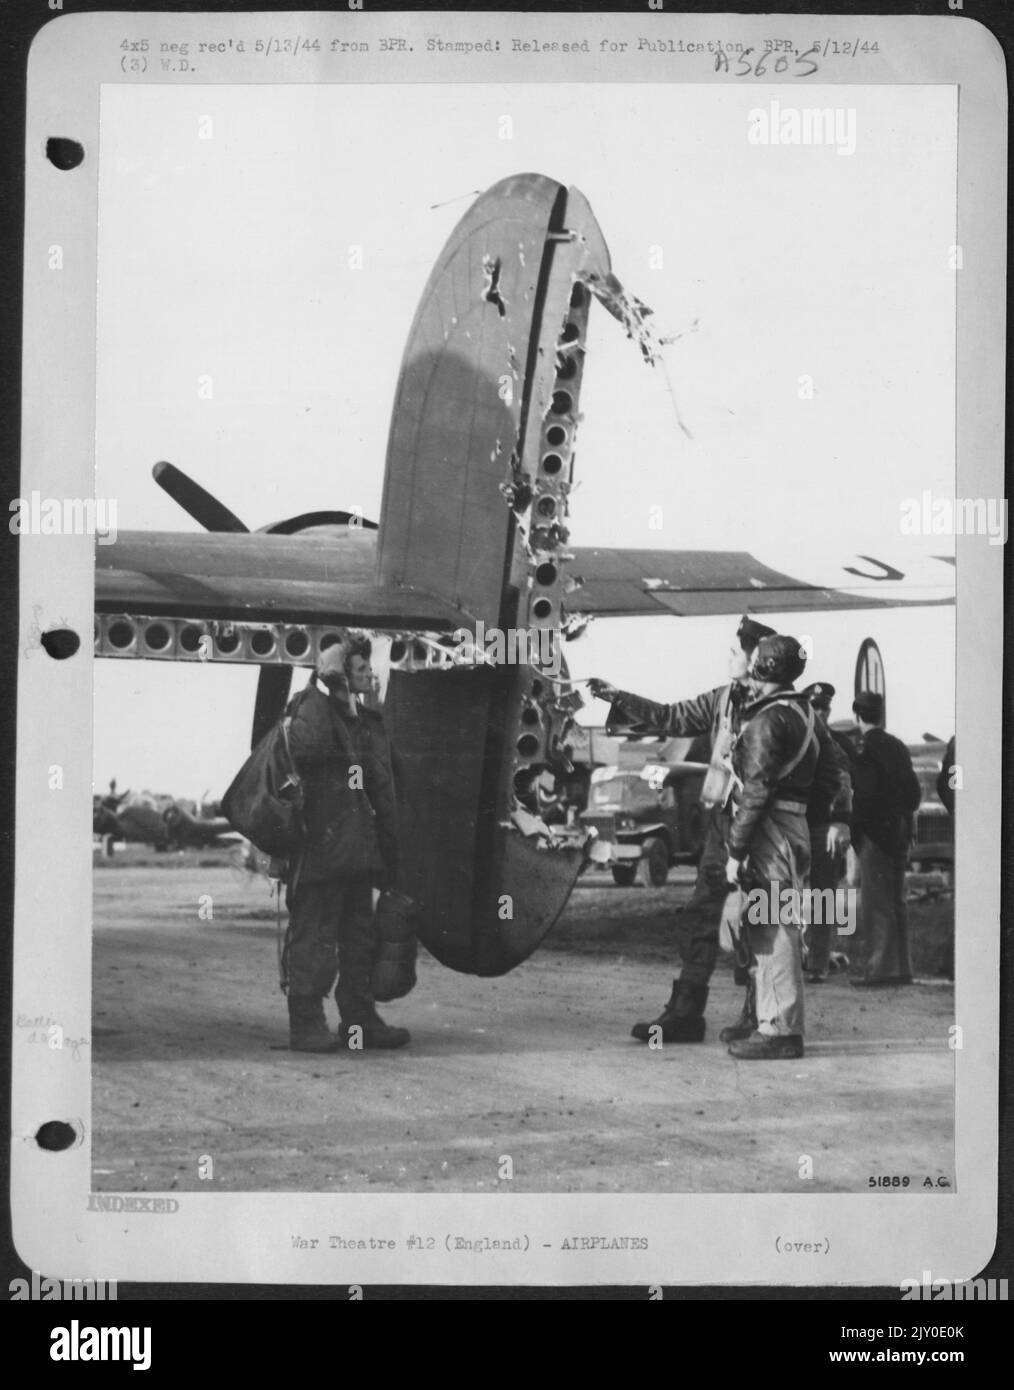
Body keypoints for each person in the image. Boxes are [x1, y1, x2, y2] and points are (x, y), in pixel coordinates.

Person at [587, 615, 775, 1043]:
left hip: (764, 828)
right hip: (724, 824)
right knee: (701, 914)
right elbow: (672, 717)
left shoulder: (781, 708)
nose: (728, 658)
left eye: (735, 652)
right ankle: (686, 1011)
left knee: (761, 919)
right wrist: (619, 697)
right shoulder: (724, 699)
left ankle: (761, 1014)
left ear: (756, 658)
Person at [724, 636, 849, 1059]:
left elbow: (754, 792)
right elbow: (830, 777)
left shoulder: (766, 721)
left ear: (763, 669)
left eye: (755, 660)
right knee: (779, 920)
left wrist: (735, 850)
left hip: (769, 830)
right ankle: (774, 1022)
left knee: (771, 925)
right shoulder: (809, 716)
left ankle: (779, 1030)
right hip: (793, 826)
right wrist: (804, 822)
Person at [283, 633, 410, 1051]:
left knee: (359, 940)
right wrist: (325, 690)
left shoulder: (361, 720)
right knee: (314, 939)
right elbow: (304, 749)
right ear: (339, 675)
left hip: (357, 852)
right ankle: (305, 1024)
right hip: (322, 851)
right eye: (359, 669)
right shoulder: (312, 711)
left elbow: (378, 784)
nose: (369, 675)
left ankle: (359, 1022)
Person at [849, 690, 921, 987]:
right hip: (900, 829)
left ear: (856, 715)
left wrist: (856, 832)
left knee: (876, 903)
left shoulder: (865, 750)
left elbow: (864, 797)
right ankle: (902, 968)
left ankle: (879, 971)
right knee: (896, 900)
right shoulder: (898, 747)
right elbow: (914, 792)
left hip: (876, 833)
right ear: (880, 715)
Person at [798, 682, 854, 983]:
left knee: (823, 896)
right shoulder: (795, 738)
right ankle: (792, 958)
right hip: (791, 826)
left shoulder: (836, 744)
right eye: (814, 707)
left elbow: (844, 788)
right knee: (780, 897)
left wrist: (840, 821)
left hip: (823, 828)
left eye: (824, 708)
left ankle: (817, 963)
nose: (820, 712)